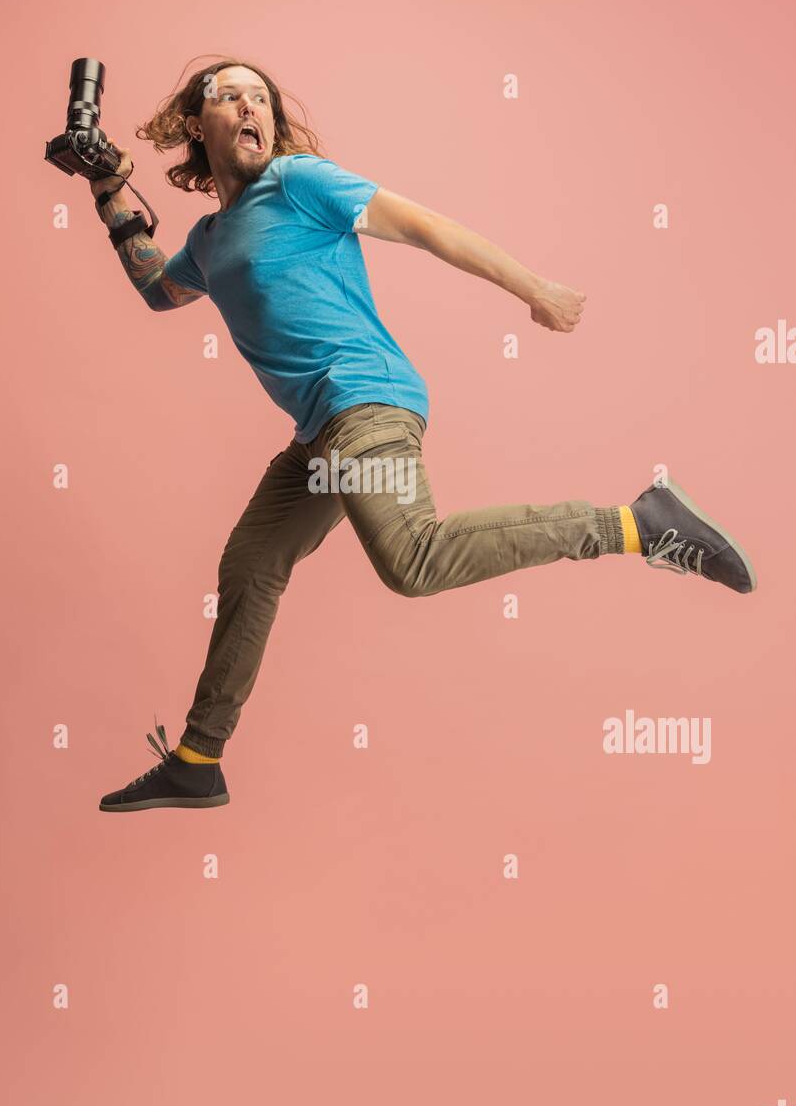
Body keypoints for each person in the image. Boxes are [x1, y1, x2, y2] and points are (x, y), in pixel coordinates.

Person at [93, 56, 756, 813]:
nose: (250, 105)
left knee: (413, 558)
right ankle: (196, 758)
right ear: (193, 123)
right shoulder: (211, 239)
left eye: (261, 97)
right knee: (250, 564)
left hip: (365, 405)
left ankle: (637, 524)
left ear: (272, 123)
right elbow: (157, 288)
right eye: (228, 94)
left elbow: (424, 226)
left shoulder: (301, 182)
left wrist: (531, 287)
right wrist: (106, 188)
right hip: (320, 437)